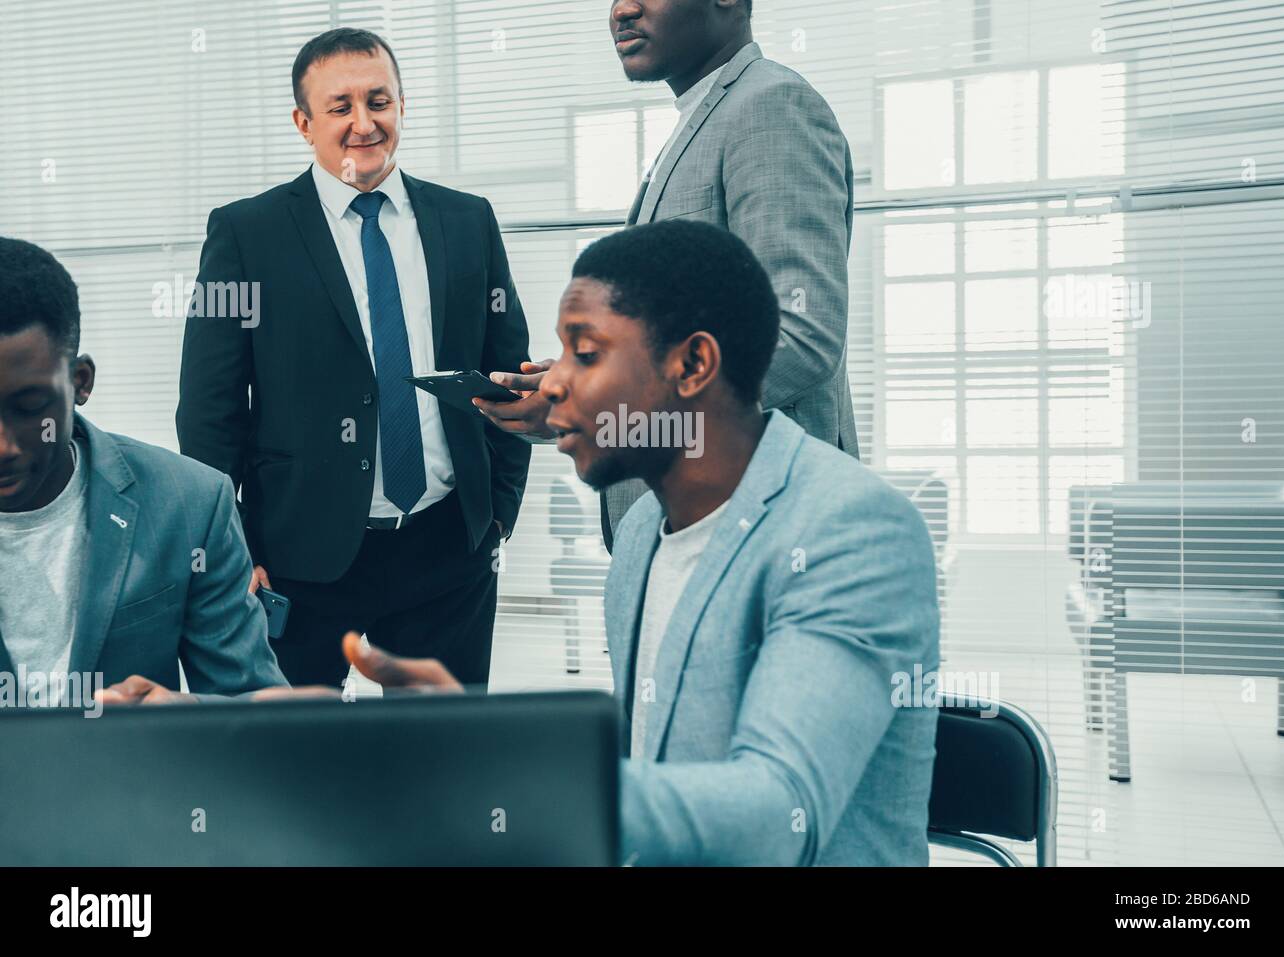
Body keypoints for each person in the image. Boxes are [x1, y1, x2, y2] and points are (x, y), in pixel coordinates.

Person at [139, 221, 936, 864]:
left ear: (694, 364)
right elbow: (642, 795)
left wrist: (493, 757)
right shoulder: (640, 541)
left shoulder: (848, 529)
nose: (550, 382)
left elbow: (774, 814)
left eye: (584, 353)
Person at [176, 28, 532, 687]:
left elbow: (507, 372)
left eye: (379, 101)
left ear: (402, 106)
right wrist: (231, 545)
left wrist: (499, 507)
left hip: (446, 546)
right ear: (303, 122)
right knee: (297, 767)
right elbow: (209, 409)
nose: (363, 123)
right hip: (298, 556)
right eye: (340, 107)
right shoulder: (246, 234)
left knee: (440, 755)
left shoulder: (466, 220)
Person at [476, 0, 857, 552]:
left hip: (751, 536)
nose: (622, 9)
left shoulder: (771, 108)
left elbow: (798, 337)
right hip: (689, 536)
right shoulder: (705, 118)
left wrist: (605, 405)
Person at [0, 237, 285, 703]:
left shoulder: (189, 505)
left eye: (30, 407)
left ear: (80, 382)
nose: (4, 446)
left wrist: (183, 716)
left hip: (132, 774)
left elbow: (253, 708)